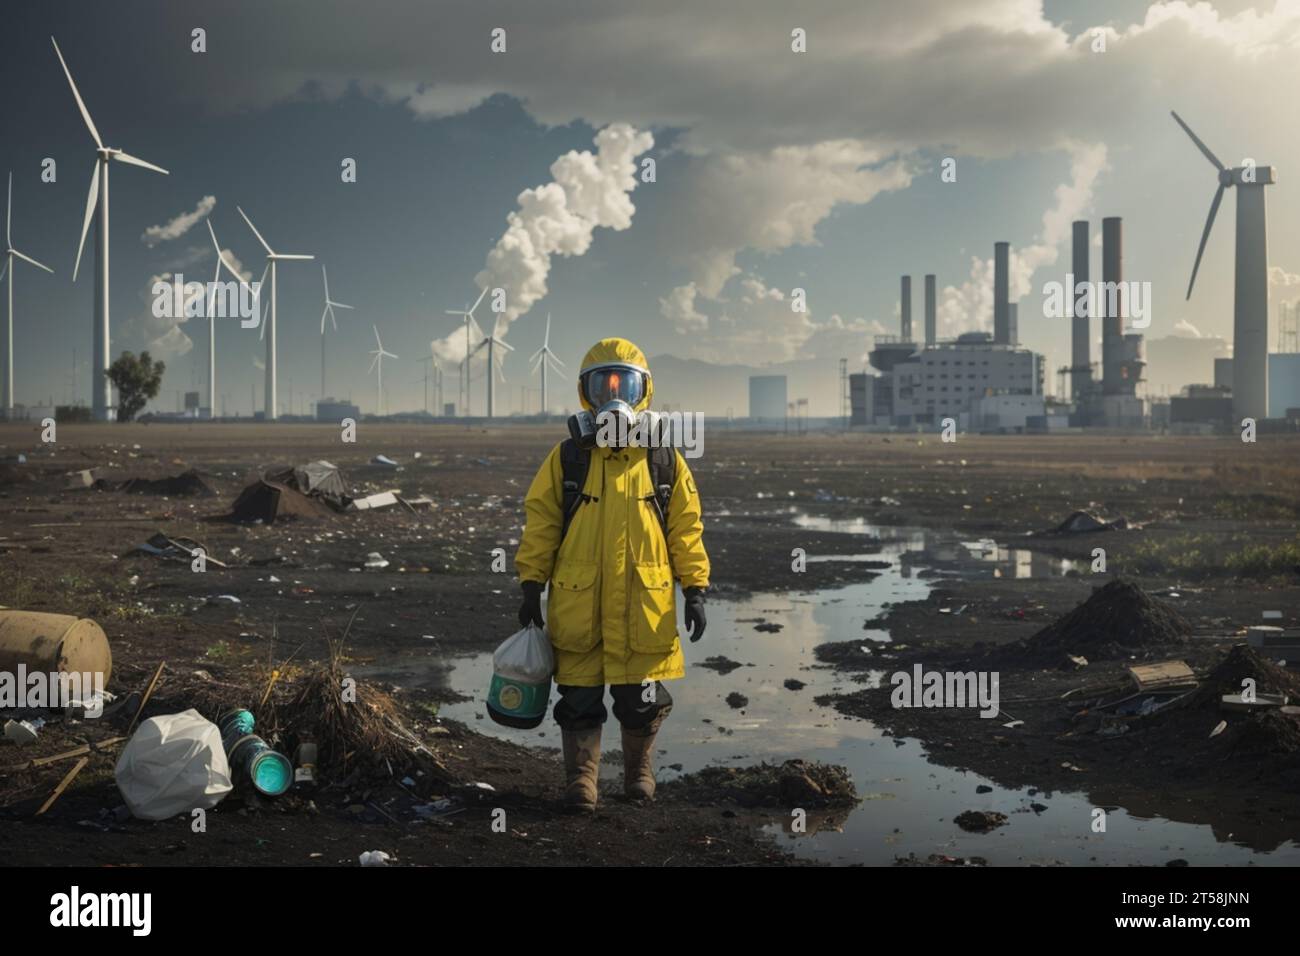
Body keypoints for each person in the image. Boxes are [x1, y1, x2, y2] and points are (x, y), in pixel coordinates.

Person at [514, 337, 709, 812]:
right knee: (578, 699)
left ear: (645, 393)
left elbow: (686, 528)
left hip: (644, 608)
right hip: (579, 608)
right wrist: (530, 584)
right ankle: (582, 781)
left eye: (625, 383)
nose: (615, 396)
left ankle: (638, 773)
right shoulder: (568, 459)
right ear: (587, 394)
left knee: (640, 700)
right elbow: (540, 523)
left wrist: (697, 588)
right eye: (604, 385)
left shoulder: (664, 461)